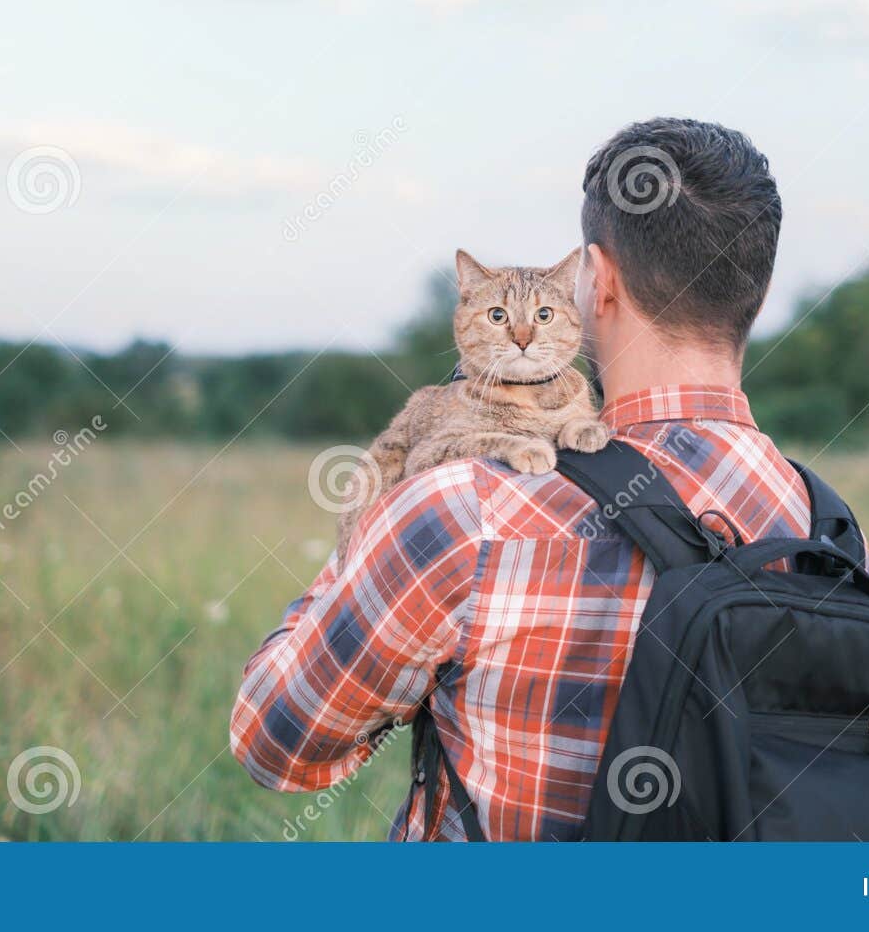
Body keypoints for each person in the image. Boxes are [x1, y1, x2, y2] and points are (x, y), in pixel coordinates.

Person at [231, 117, 814, 840]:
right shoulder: (820, 522)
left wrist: (364, 535)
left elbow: (273, 742)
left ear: (596, 283)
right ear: (752, 291)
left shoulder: (460, 510)